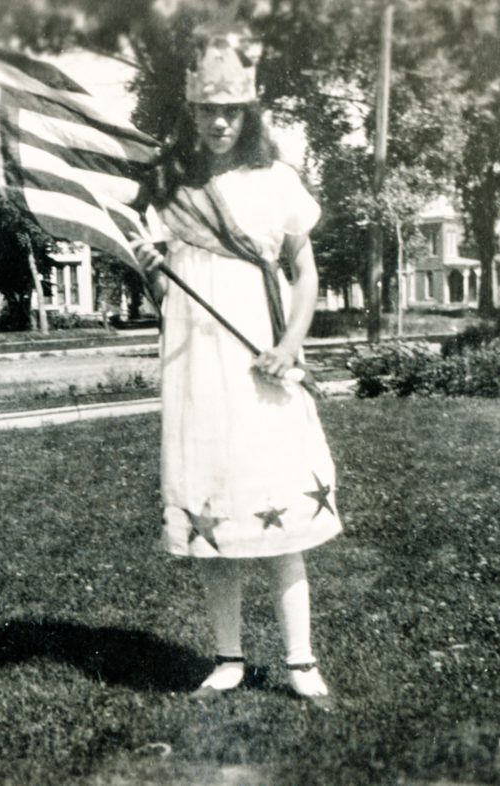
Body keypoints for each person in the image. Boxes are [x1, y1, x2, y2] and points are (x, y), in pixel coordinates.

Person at [133, 28, 342, 708]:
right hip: (197, 366)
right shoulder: (169, 187)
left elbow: (305, 273)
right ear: (190, 111)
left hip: (262, 360)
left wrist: (292, 342)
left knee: (279, 505)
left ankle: (301, 660)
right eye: (207, 110)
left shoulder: (276, 180)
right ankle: (228, 659)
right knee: (213, 509)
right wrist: (152, 269)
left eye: (231, 111)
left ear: (250, 112)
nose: (219, 123)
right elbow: (164, 285)